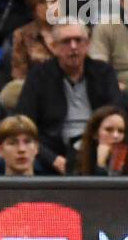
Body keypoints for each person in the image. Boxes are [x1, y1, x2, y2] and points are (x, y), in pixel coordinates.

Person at [16, 19, 122, 171]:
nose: (73, 47)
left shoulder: (104, 72)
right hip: (55, 148)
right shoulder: (39, 76)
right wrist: (51, 158)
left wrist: (103, 148)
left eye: (78, 40)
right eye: (66, 41)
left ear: (88, 44)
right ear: (54, 47)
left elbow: (117, 114)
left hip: (98, 144)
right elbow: (25, 123)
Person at [73, 104, 128, 175]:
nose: (116, 136)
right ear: (95, 133)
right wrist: (101, 164)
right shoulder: (76, 155)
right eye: (109, 130)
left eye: (120, 131)